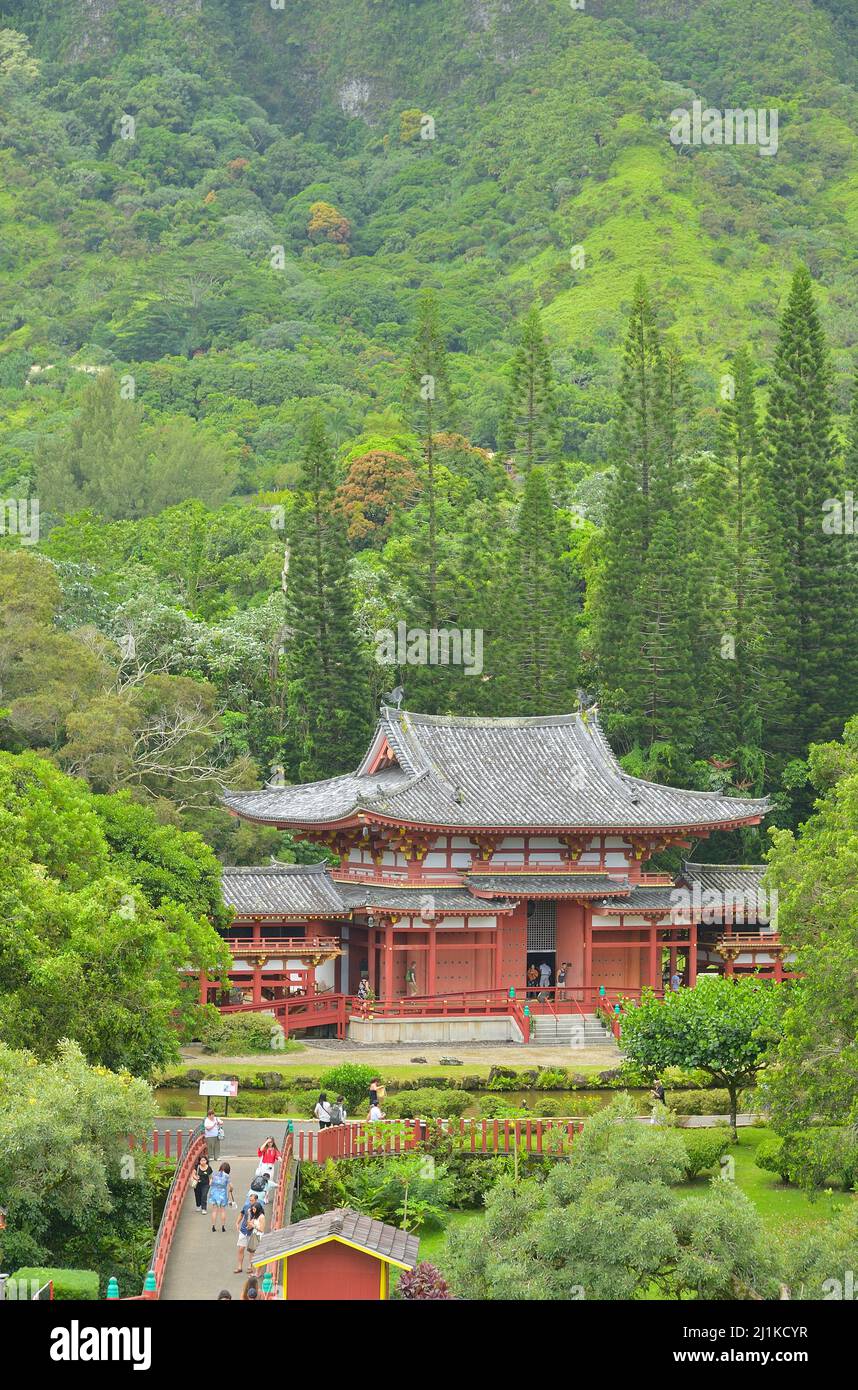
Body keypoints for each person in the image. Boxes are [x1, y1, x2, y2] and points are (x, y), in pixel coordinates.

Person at [234, 1197, 265, 1274]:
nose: (250, 1202)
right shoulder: (246, 1207)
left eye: (252, 1200)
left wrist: (252, 1224)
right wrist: (237, 1223)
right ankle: (239, 1266)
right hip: (244, 1231)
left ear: (256, 1200)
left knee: (252, 1251)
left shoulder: (257, 1210)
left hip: (253, 1233)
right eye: (250, 1200)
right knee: (241, 1248)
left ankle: (250, 1266)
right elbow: (242, 1215)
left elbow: (259, 1226)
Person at [208, 1161, 234, 1233]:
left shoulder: (214, 1174)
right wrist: (231, 1190)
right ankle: (223, 1227)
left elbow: (210, 1183)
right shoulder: (227, 1176)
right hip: (222, 1194)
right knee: (222, 1211)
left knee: (214, 1211)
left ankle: (213, 1226)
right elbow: (231, 1186)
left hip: (214, 1193)